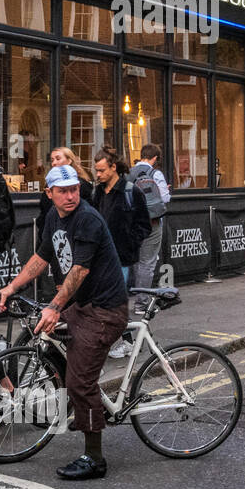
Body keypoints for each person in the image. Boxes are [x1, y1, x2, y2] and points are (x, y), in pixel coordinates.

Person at [0, 164, 130, 481]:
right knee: (44, 334)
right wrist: (12, 287)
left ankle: (95, 458)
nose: (70, 196)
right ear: (49, 193)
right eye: (63, 191)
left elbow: (79, 271)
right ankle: (76, 404)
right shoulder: (54, 217)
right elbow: (41, 258)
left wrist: (55, 306)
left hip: (104, 310)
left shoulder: (87, 218)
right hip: (82, 306)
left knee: (81, 381)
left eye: (74, 189)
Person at [90, 147, 150, 358]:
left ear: (113, 167)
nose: (98, 175)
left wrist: (130, 244)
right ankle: (120, 339)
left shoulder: (131, 191)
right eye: (96, 171)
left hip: (122, 259)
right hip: (101, 258)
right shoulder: (97, 192)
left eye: (101, 170)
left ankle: (128, 341)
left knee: (115, 300)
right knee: (105, 301)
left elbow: (144, 225)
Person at [130, 144, 171, 314]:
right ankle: (141, 304)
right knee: (147, 263)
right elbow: (165, 198)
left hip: (132, 223)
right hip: (151, 224)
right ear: (154, 158)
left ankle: (130, 297)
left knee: (135, 262)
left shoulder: (128, 174)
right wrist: (164, 191)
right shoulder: (155, 174)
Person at [35, 147, 94, 219]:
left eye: (58, 159)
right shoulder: (50, 184)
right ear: (49, 192)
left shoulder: (82, 185)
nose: (54, 163)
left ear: (69, 161)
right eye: (52, 160)